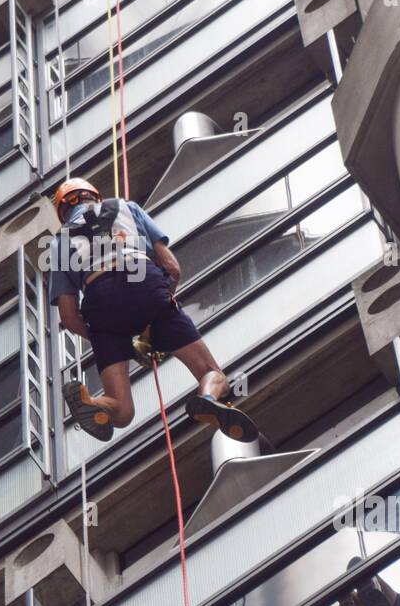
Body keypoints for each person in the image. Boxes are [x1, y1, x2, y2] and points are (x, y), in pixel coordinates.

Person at [46, 177, 258, 443]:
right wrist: (162, 306)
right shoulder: (127, 207)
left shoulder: (59, 241)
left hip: (100, 300)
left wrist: (109, 339)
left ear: (63, 211)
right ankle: (207, 398)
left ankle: (94, 402)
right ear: (95, 196)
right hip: (143, 281)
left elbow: (68, 316)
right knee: (210, 372)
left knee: (122, 412)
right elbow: (172, 268)